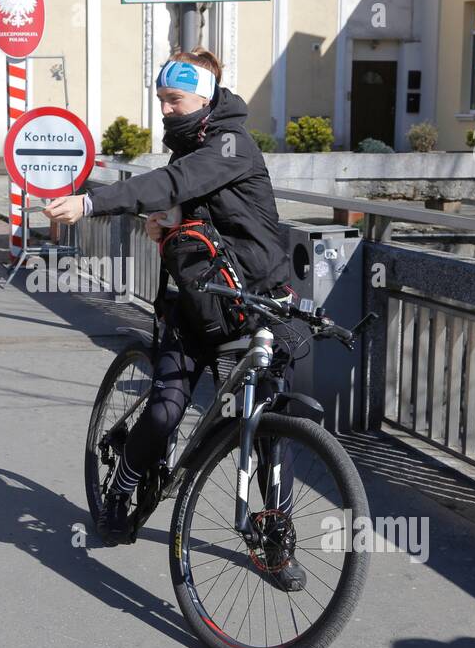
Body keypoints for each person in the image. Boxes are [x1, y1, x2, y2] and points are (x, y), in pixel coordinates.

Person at [43, 49, 306, 588]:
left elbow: (174, 183)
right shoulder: (193, 145)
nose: (164, 109)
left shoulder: (230, 145)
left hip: (253, 304)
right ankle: (123, 484)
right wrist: (167, 225)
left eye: (174, 99)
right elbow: (181, 199)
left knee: (267, 431)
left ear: (204, 97)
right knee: (165, 411)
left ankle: (276, 540)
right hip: (193, 307)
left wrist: (93, 203)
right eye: (160, 99)